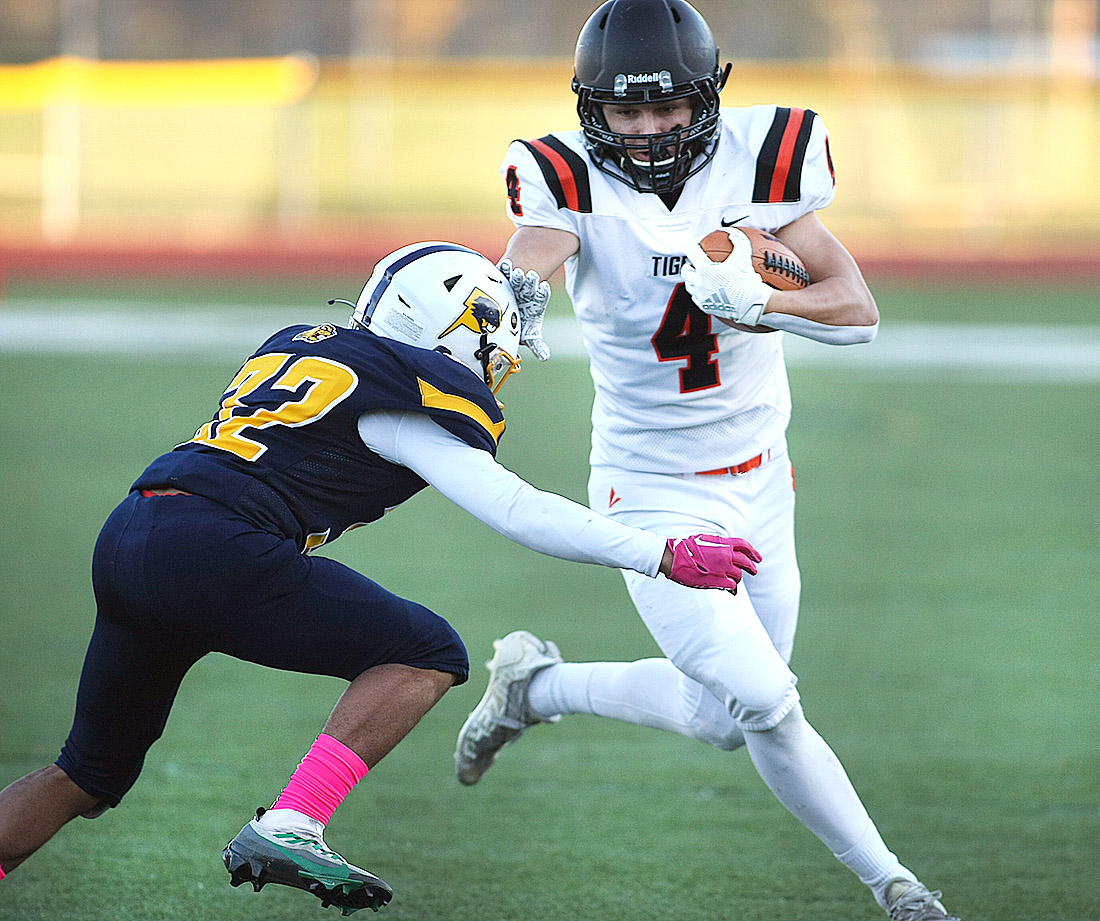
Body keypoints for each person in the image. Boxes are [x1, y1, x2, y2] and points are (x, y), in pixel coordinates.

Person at [0, 242, 762, 915]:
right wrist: (659, 552)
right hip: (213, 545)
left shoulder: (306, 345)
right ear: (453, 333)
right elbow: (515, 507)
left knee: (85, 773)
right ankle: (292, 822)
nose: (502, 359)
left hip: (134, 528)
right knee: (428, 651)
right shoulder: (404, 401)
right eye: (492, 338)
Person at [453, 3, 961, 920]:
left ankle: (536, 687)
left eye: (667, 111)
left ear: (709, 98)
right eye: (624, 114)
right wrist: (508, 296)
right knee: (766, 699)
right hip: (648, 490)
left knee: (723, 719)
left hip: (764, 478)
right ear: (588, 108)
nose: (646, 133)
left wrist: (762, 306)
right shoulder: (565, 179)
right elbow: (533, 256)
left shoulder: (766, 161)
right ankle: (899, 887)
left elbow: (857, 309)